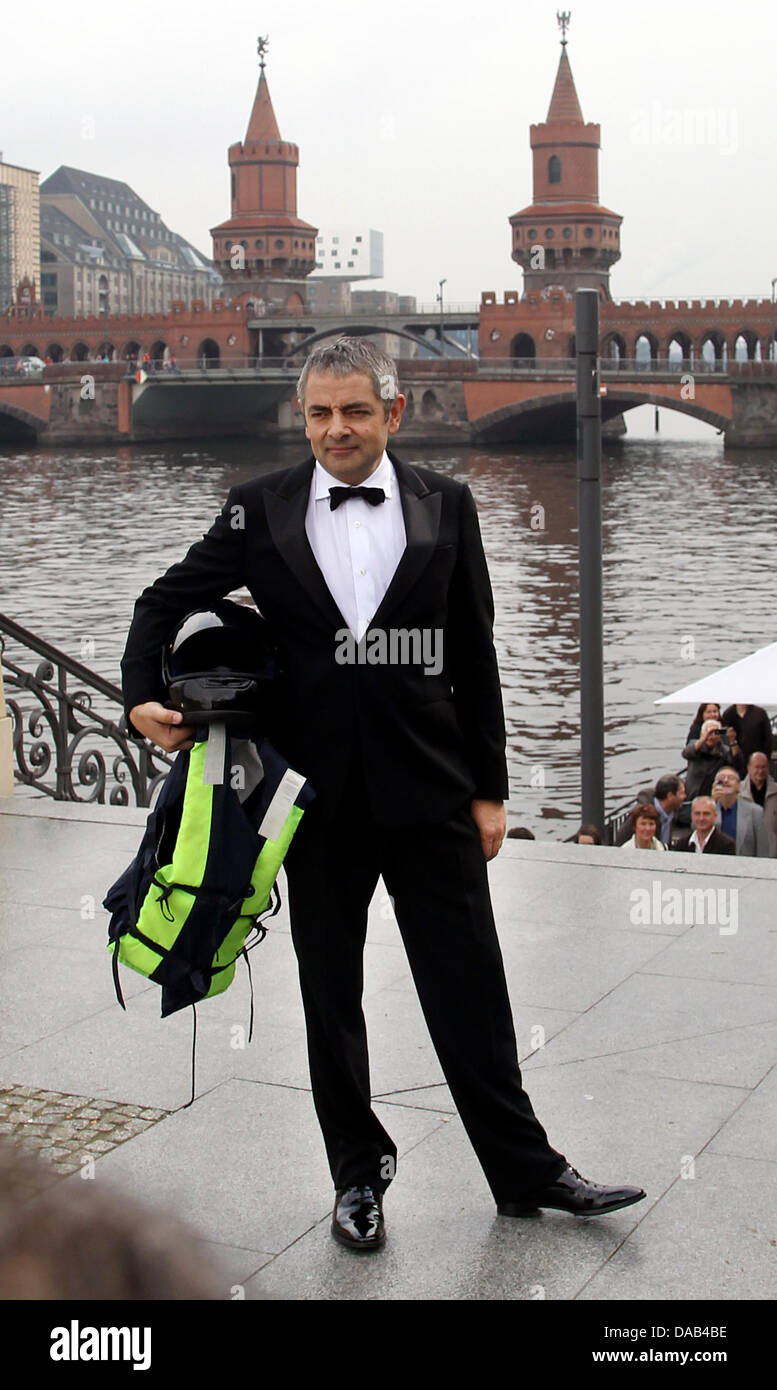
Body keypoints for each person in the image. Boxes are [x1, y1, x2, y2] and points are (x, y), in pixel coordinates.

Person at [121, 337, 644, 1252]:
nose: (335, 429)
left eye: (354, 411)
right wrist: (137, 696)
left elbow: (474, 655)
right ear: (302, 415)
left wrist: (489, 790)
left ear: (392, 412)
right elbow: (160, 601)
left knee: (470, 986)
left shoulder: (448, 503)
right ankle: (356, 1178)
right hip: (312, 801)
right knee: (331, 993)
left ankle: (525, 1170)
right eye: (319, 413)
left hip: (431, 789)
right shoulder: (258, 508)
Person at [710, 768, 769, 857]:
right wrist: (712, 803)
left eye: (731, 778)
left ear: (739, 786)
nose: (725, 780)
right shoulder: (708, 809)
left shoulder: (755, 811)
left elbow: (762, 849)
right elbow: (697, 832)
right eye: (721, 778)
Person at [615, 774, 686, 846]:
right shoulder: (641, 815)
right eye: (682, 793)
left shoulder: (673, 811)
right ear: (670, 796)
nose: (685, 796)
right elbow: (621, 841)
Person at [681, 719, 745, 799]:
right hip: (693, 793)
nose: (711, 736)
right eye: (709, 733)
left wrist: (732, 741)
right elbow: (686, 753)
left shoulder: (724, 751)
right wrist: (703, 739)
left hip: (713, 794)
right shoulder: (695, 746)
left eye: (715, 733)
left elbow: (737, 764)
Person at [740, 751, 777, 856]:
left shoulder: (775, 792)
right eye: (757, 767)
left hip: (772, 854)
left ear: (768, 768)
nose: (760, 771)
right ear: (749, 768)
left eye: (764, 767)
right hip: (744, 854)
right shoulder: (738, 792)